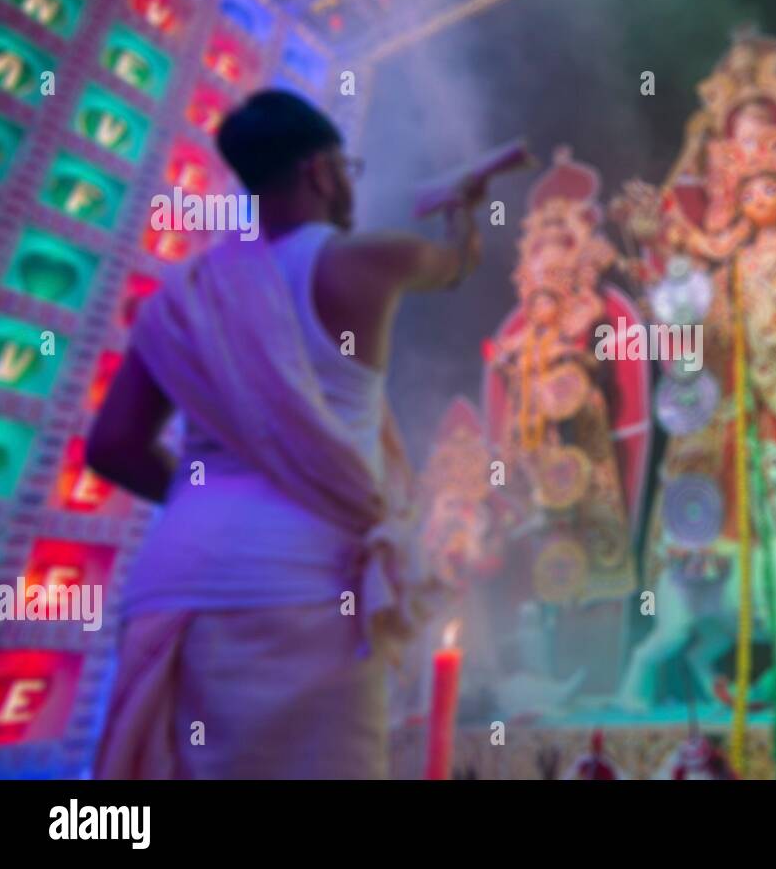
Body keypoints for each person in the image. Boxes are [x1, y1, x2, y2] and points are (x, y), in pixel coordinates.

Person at [87, 90, 485, 778]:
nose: (350, 186)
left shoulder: (182, 297)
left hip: (172, 581)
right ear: (320, 170)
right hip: (301, 588)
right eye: (346, 168)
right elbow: (456, 267)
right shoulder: (367, 260)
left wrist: (201, 502)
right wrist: (466, 211)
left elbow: (113, 446)